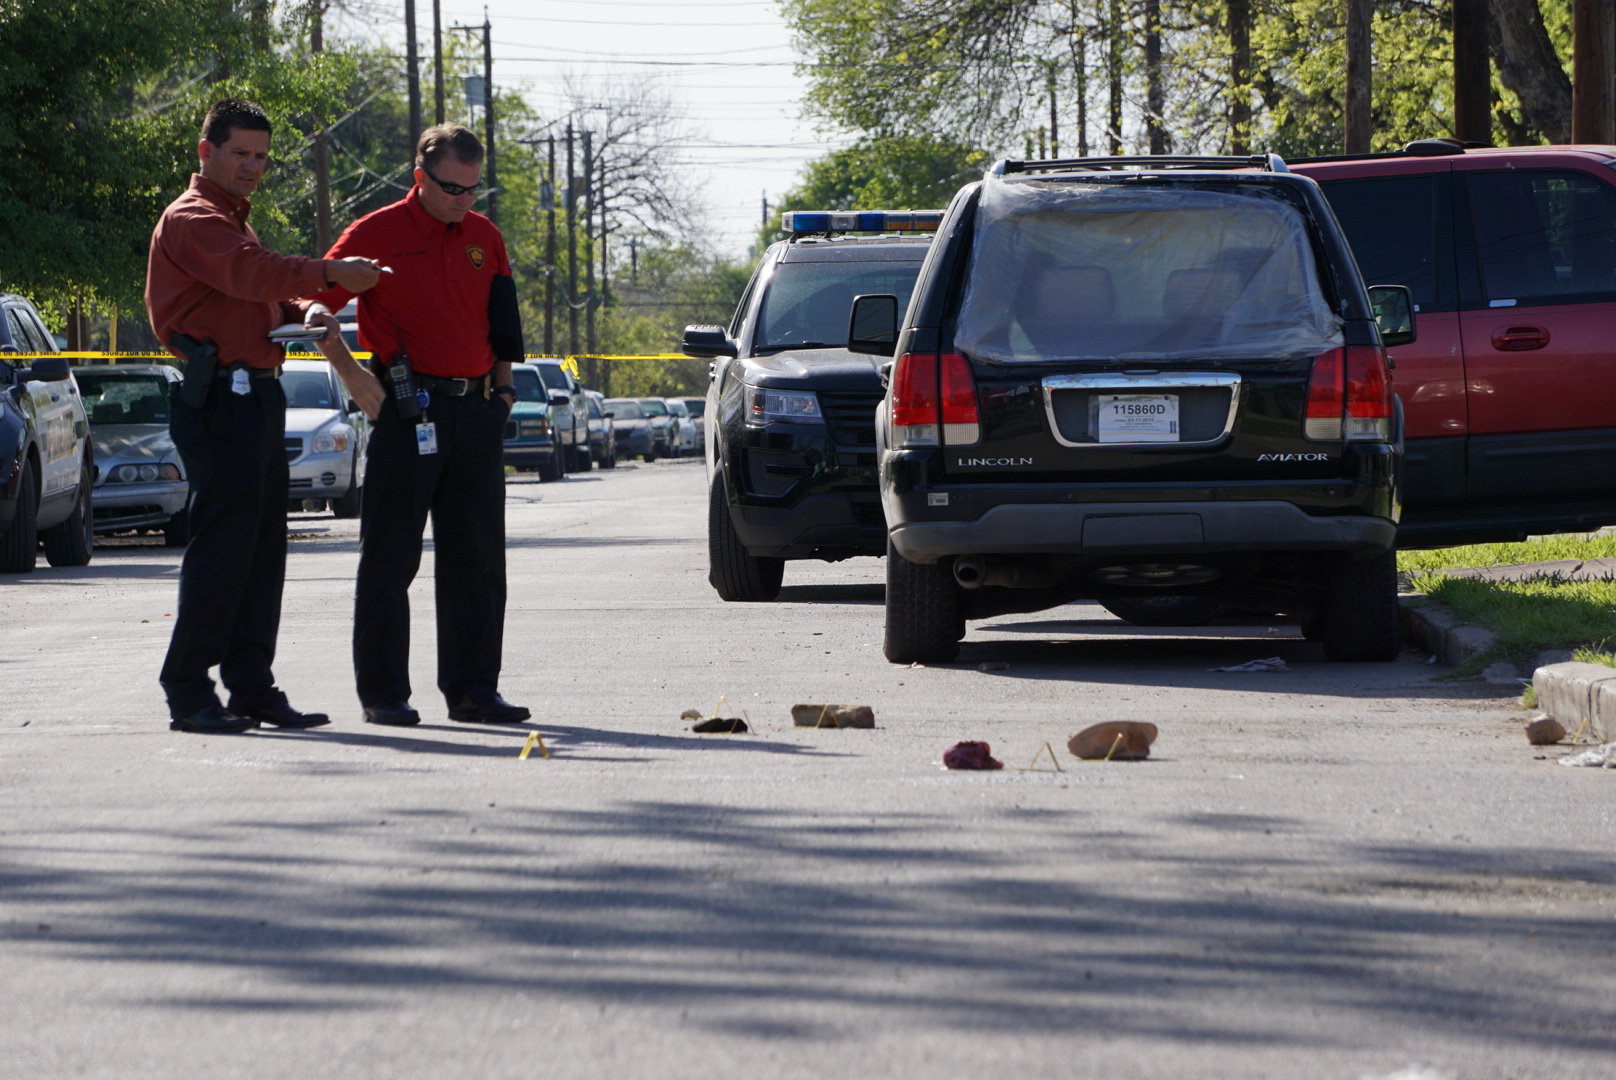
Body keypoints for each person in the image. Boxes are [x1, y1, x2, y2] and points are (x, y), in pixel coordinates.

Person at [146, 98, 381, 734]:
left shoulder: (232, 221)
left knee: (260, 550)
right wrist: (330, 271)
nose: (253, 166)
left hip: (255, 397)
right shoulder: (194, 219)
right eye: (239, 153)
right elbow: (251, 274)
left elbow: (266, 288)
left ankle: (250, 685)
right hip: (220, 399)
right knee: (224, 549)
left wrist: (305, 307)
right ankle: (188, 688)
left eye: (261, 155)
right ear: (206, 152)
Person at [307, 124, 529, 728]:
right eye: (452, 187)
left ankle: (474, 690)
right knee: (390, 555)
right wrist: (351, 373)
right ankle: (384, 694)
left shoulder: (485, 236)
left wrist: (503, 390)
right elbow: (314, 301)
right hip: (408, 410)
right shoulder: (377, 234)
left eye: (473, 188)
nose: (463, 199)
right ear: (419, 177)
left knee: (478, 559)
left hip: (477, 411)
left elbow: (503, 323)